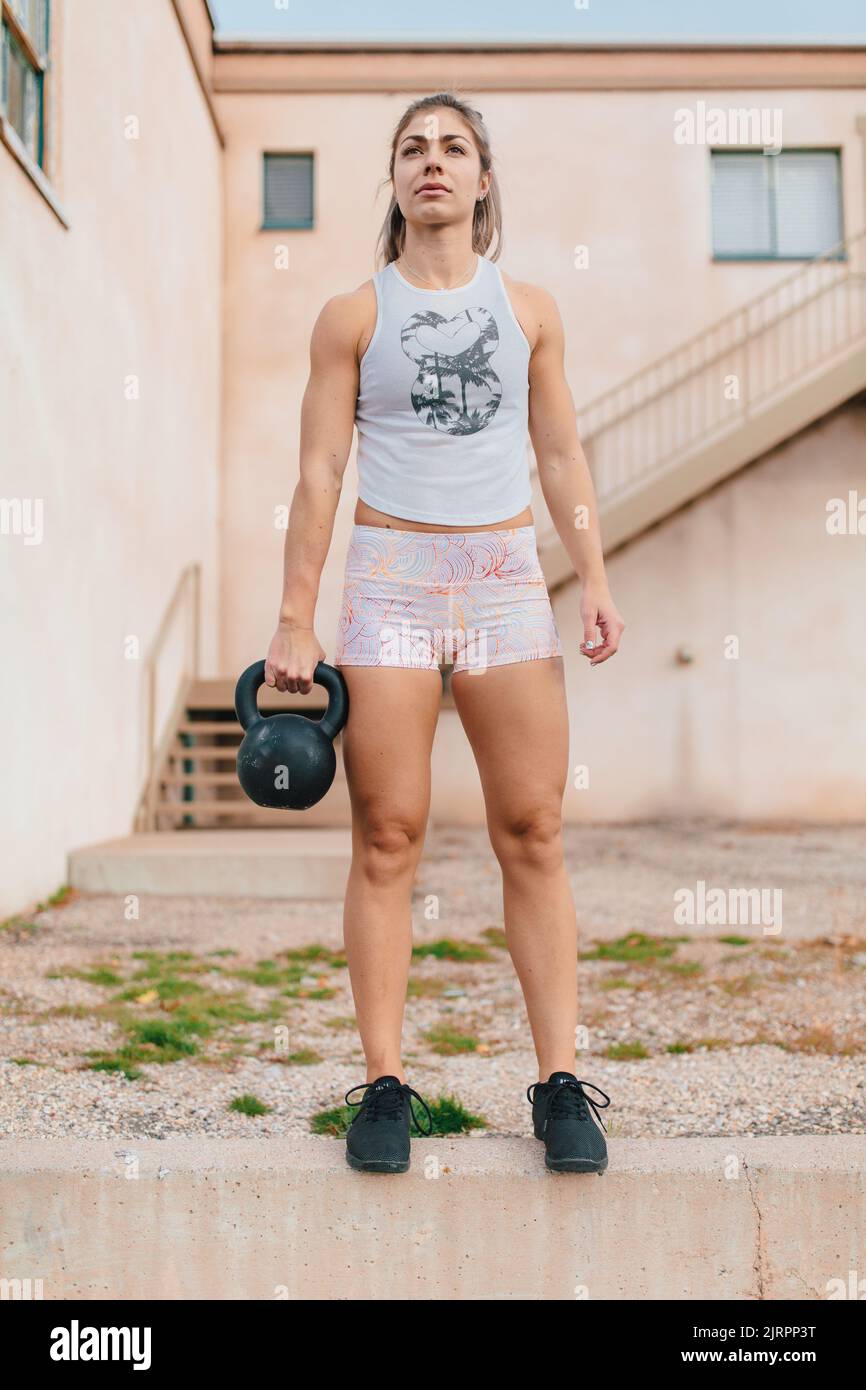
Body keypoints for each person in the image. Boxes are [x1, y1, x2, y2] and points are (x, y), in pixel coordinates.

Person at [265, 91, 624, 1175]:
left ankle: (558, 1082)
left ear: (479, 181)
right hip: (389, 585)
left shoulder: (530, 311)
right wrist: (293, 615)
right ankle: (383, 1083)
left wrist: (593, 576)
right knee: (386, 835)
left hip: (505, 581)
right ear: (396, 180)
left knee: (533, 832)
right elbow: (320, 470)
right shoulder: (350, 315)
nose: (432, 162)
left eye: (452, 147)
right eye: (412, 148)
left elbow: (559, 456)